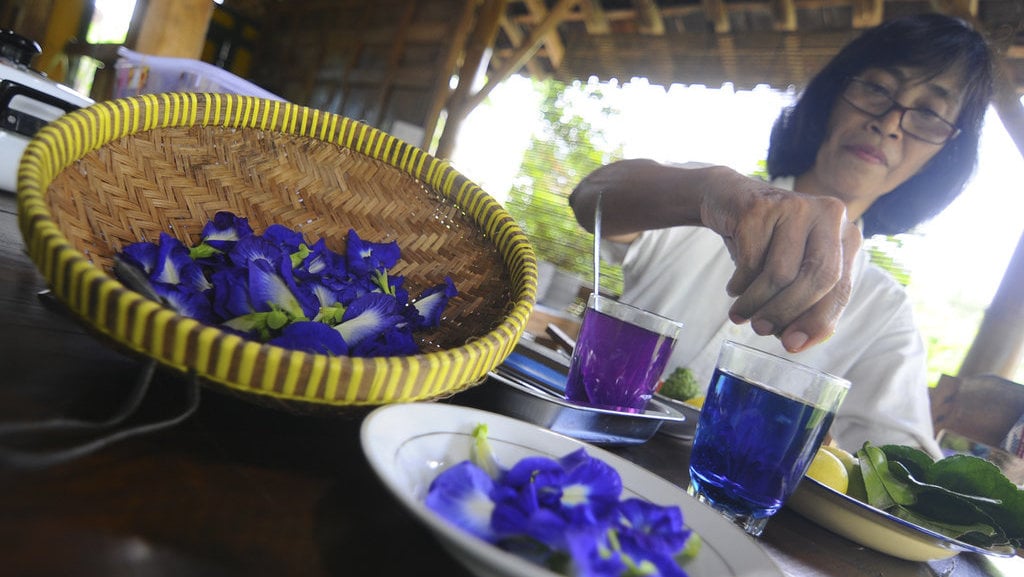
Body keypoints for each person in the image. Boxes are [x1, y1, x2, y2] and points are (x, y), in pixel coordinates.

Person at [569, 13, 994, 458]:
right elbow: (589, 199)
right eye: (877, 88)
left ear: (944, 155)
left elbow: (904, 465)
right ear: (833, 97)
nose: (890, 122)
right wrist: (706, 193)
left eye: (928, 113)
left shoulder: (885, 315)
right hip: (580, 445)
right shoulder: (708, 194)